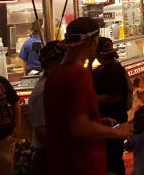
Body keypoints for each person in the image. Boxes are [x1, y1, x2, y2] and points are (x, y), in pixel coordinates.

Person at [45, 17, 132, 175]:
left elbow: (67, 119)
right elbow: (80, 128)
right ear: (92, 42)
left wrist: (97, 122)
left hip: (61, 161)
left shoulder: (54, 75)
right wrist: (117, 132)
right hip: (83, 162)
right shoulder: (79, 75)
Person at [93, 37, 132, 175]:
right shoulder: (112, 68)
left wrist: (92, 99)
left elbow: (114, 97)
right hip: (117, 119)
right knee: (113, 157)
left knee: (112, 158)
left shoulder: (110, 71)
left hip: (113, 121)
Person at [28, 41, 66, 175]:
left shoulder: (54, 83)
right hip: (48, 157)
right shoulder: (45, 90)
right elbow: (42, 131)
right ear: (57, 62)